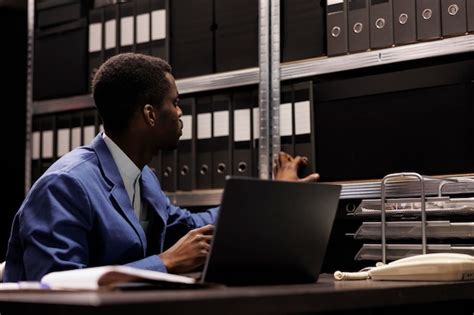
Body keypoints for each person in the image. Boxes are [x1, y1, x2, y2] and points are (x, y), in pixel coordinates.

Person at [4, 53, 319, 282]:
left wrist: (277, 195)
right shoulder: (65, 185)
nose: (182, 113)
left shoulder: (145, 180)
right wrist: (165, 262)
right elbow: (54, 286)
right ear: (150, 115)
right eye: (176, 103)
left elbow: (191, 226)